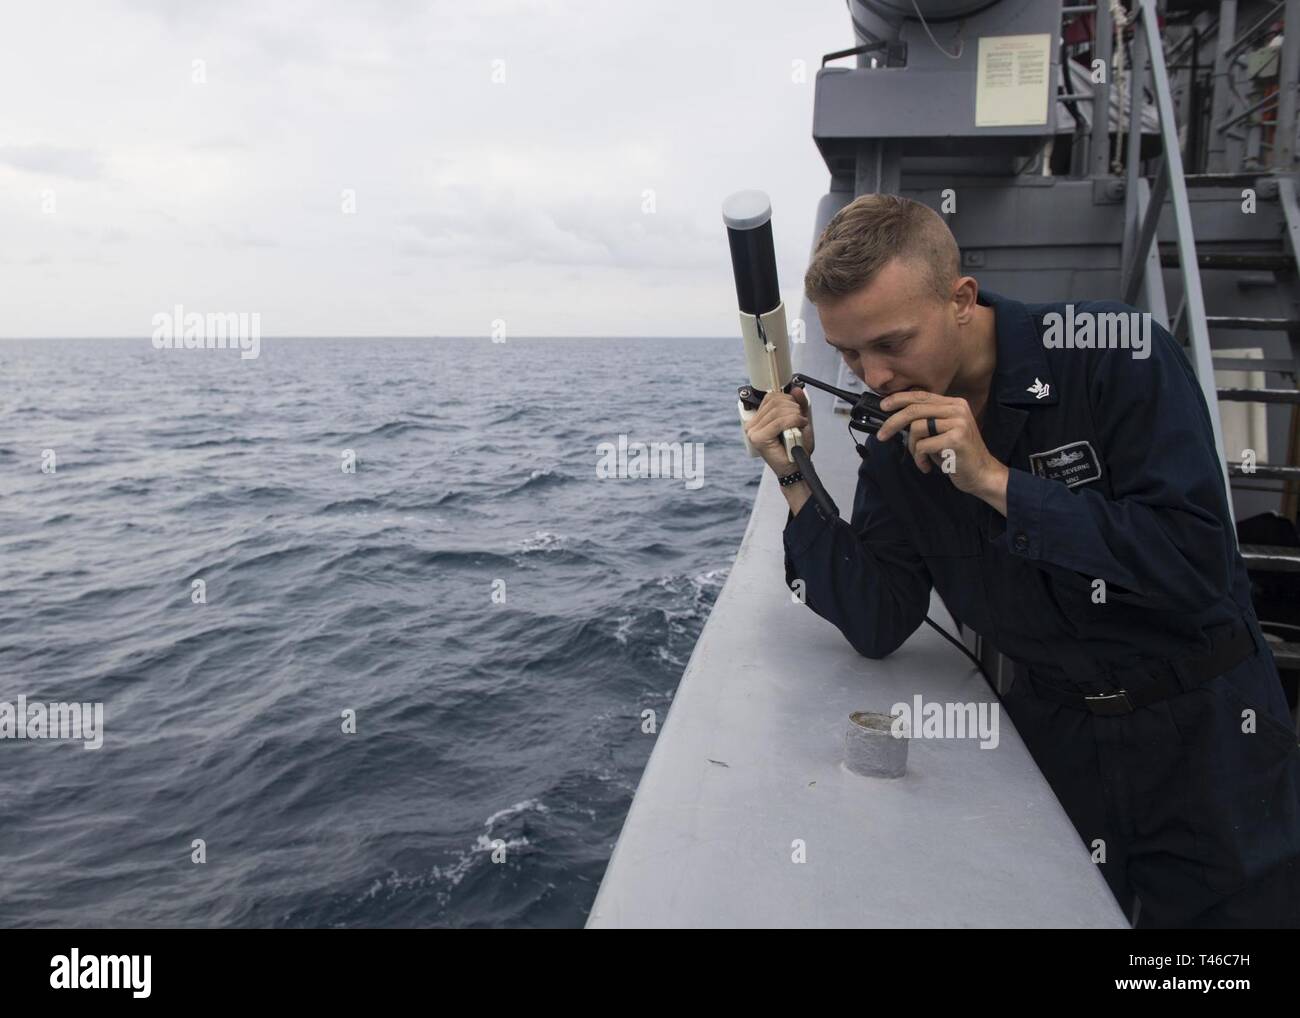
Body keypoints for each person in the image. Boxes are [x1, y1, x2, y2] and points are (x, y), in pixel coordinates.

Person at [746, 193, 1300, 928]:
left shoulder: (1117, 355)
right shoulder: (896, 437)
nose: (873, 375)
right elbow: (879, 617)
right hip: (1060, 742)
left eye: (892, 343)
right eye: (849, 353)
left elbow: (1196, 568)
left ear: (962, 300)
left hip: (1207, 739)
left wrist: (997, 483)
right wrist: (794, 477)